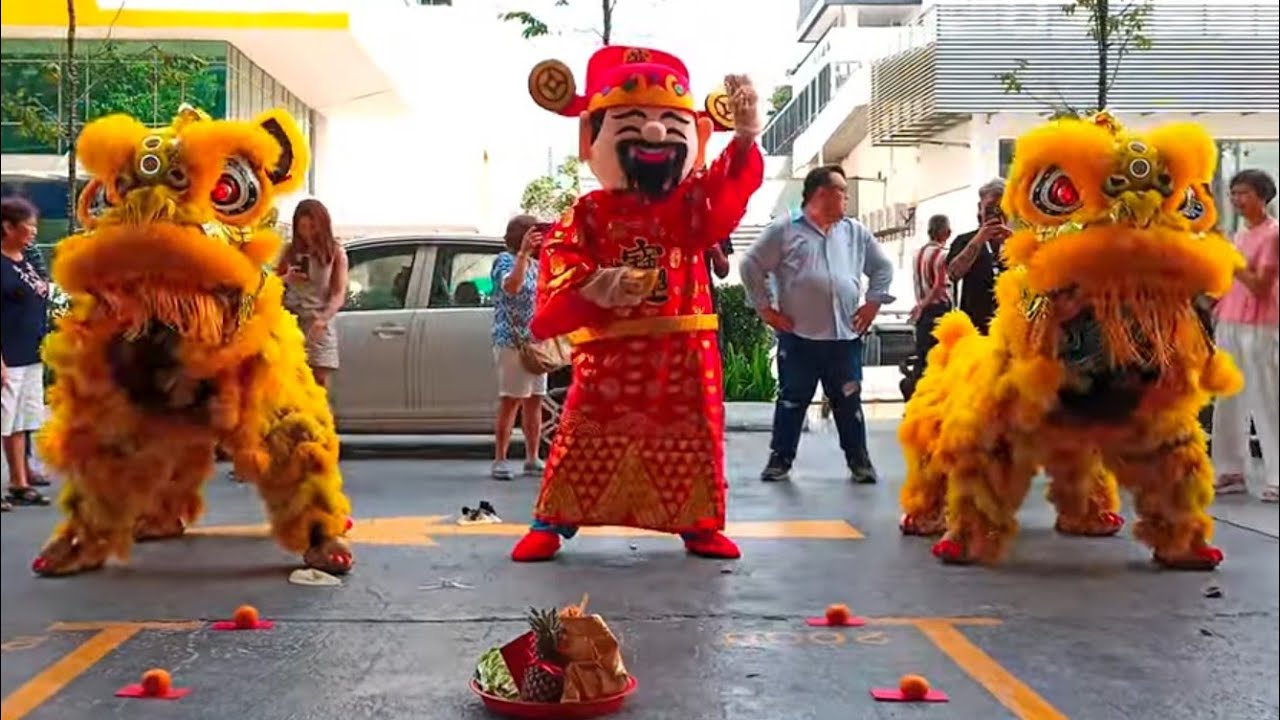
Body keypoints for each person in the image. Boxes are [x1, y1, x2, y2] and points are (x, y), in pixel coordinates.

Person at [510, 46, 765, 563]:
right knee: (584, 435)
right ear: (592, 137)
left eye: (671, 124)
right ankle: (552, 521)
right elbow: (561, 265)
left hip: (683, 355)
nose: (653, 133)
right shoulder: (589, 211)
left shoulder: (691, 201)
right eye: (631, 122)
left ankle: (698, 524)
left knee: (693, 440)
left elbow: (726, 197)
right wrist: (603, 284)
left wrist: (744, 136)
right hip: (611, 355)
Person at [740, 164, 894, 484]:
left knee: (848, 400)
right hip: (800, 337)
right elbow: (751, 264)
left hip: (844, 337)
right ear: (821, 194)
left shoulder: (854, 232)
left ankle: (859, 461)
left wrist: (873, 303)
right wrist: (765, 309)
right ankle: (780, 460)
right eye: (842, 192)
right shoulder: (784, 229)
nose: (847, 198)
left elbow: (882, 268)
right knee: (792, 399)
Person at [1211, 169, 1279, 503]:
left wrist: (1230, 258)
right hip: (1230, 322)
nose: (1237, 200)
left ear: (1262, 197)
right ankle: (1229, 470)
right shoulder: (1240, 233)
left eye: (1244, 193)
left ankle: (1276, 476)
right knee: (1228, 398)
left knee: (1265, 397)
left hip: (1260, 325)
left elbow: (1260, 287)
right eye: (1234, 193)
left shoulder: (1273, 235)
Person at [1, 196, 52, 510]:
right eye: (28, 225)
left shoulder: (26, 259)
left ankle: (19, 483)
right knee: (3, 420)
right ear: (7, 227)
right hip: (8, 356)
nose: (33, 231)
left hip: (30, 354)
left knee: (21, 422)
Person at [489, 214, 549, 481]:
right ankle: (500, 459)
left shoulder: (538, 265)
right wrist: (523, 254)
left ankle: (532, 457)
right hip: (511, 342)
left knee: (535, 400)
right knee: (511, 399)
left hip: (535, 342)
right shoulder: (505, 260)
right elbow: (512, 287)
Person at [277, 198, 348, 388]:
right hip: (290, 322)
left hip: (318, 323)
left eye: (312, 227)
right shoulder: (289, 251)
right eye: (303, 228)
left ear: (321, 226)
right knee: (290, 383)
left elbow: (339, 293)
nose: (307, 233)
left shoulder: (335, 252)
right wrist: (287, 278)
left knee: (318, 383)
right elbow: (272, 284)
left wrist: (323, 319)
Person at [946, 179, 1011, 334]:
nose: (995, 214)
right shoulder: (964, 241)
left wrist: (1012, 241)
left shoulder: (1018, 242)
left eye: (1001, 208)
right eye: (990, 208)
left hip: (1010, 330)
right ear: (980, 208)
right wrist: (980, 238)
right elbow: (953, 273)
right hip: (974, 332)